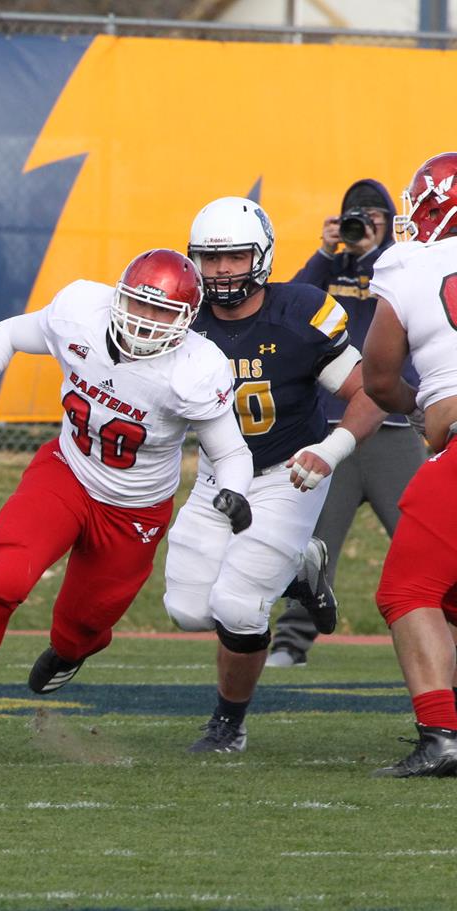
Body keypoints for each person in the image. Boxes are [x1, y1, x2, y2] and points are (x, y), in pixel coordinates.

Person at [0, 249, 254, 757]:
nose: (146, 320)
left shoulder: (194, 367)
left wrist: (235, 489)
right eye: (138, 305)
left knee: (81, 628)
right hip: (68, 473)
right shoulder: (79, 311)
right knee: (7, 580)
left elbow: (230, 449)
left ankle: (73, 648)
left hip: (135, 512)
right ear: (118, 297)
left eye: (162, 312)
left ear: (187, 319)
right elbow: (9, 333)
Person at [165, 197, 385, 754]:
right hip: (218, 476)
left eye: (234, 257)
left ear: (260, 256)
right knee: (188, 610)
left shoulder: (299, 313)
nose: (220, 272)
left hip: (289, 472)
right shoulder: (184, 320)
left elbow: (369, 393)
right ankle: (298, 575)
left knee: (238, 607)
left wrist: (330, 452)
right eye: (210, 260)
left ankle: (228, 724)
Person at [269, 178, 427, 667]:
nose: (362, 223)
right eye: (354, 215)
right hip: (332, 430)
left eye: (371, 215)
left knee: (424, 537)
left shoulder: (399, 264)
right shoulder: (330, 268)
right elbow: (289, 306)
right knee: (312, 547)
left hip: (393, 430)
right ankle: (292, 642)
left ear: (388, 221)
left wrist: (374, 247)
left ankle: (447, 628)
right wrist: (326, 250)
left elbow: (399, 290)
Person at [361, 152, 457, 777]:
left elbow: (377, 376)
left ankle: (442, 736)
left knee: (408, 590)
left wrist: (422, 414)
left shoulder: (411, 267)